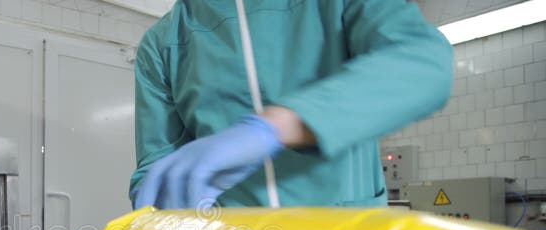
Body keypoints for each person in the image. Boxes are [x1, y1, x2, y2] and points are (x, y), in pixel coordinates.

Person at [131, 0, 453, 210]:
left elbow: (424, 64)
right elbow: (156, 162)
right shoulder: (162, 44)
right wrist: (156, 194)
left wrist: (276, 128)